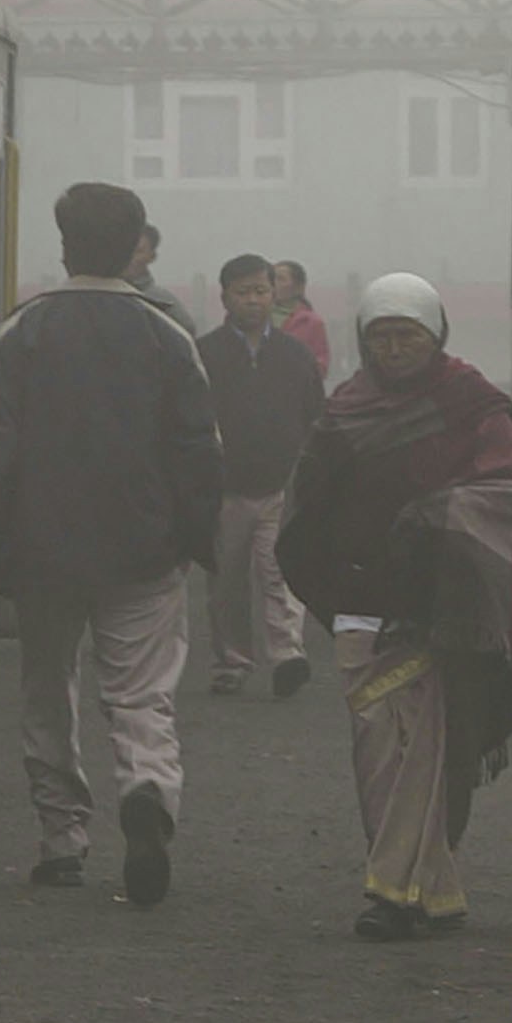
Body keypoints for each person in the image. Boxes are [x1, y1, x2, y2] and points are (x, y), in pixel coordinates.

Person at [0, 182, 221, 907]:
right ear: (133, 248)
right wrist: (194, 537)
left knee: (47, 685)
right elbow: (200, 449)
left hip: (42, 546)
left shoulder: (24, 330)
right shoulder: (168, 333)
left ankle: (62, 838)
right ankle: (147, 787)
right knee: (142, 691)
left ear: (63, 248)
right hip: (145, 548)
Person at [276, 274, 512, 941]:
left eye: (409, 334)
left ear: (436, 336)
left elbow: (511, 484)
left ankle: (393, 891)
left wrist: (440, 515)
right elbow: (306, 507)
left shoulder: (473, 403)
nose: (395, 347)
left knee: (434, 754)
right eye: (382, 335)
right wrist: (333, 583)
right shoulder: (344, 411)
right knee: (380, 751)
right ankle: (435, 887)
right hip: (363, 604)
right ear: (364, 341)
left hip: (448, 611)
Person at [194, 254, 324, 699]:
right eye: (243, 292)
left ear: (275, 293)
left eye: (262, 290)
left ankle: (287, 654)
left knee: (278, 571)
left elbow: (314, 415)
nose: (253, 300)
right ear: (225, 296)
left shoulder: (295, 355)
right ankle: (231, 661)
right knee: (227, 580)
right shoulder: (204, 353)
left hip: (280, 485)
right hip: (224, 489)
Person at [126, 223, 200, 336]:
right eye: (127, 250)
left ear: (152, 256)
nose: (130, 257)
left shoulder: (162, 301)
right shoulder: (102, 292)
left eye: (138, 251)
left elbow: (187, 331)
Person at [271, 260, 333, 381]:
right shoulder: (257, 317)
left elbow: (321, 365)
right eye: (271, 278)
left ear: (298, 286)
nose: (273, 284)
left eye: (280, 279)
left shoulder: (311, 322)